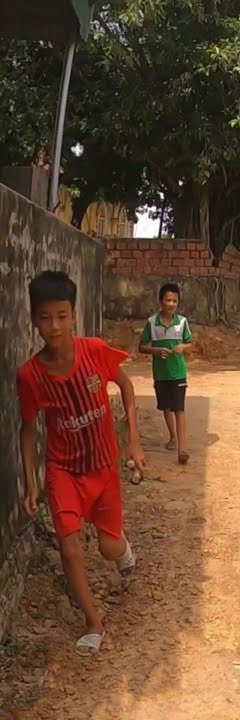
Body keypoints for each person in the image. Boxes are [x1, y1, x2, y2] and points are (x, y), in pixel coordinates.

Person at [18, 270, 145, 656]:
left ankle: (123, 551)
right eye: (45, 317)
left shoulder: (94, 351)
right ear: (33, 319)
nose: (54, 326)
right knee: (70, 547)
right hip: (64, 470)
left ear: (74, 315)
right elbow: (28, 430)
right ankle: (93, 623)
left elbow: (125, 385)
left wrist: (133, 443)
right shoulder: (30, 375)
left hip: (104, 466)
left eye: (61, 315)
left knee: (108, 547)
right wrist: (32, 481)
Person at [138, 282, 194, 464]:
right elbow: (141, 347)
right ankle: (172, 437)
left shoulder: (182, 322)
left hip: (178, 373)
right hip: (161, 374)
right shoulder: (151, 323)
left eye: (174, 301)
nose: (171, 304)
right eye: (168, 300)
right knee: (166, 407)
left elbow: (190, 343)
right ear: (161, 301)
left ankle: (182, 449)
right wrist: (155, 350)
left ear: (178, 303)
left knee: (179, 409)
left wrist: (183, 347)